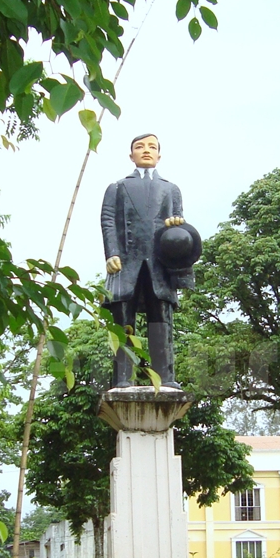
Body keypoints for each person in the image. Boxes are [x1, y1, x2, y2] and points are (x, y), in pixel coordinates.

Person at [100, 133, 201, 389]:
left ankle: (165, 377)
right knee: (123, 320)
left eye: (152, 147)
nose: (146, 150)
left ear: (159, 155)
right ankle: (122, 377)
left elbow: (178, 221)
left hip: (159, 263)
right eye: (139, 147)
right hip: (126, 263)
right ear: (131, 154)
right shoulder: (117, 187)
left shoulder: (171, 189)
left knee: (161, 320)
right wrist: (111, 253)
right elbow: (108, 221)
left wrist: (176, 227)